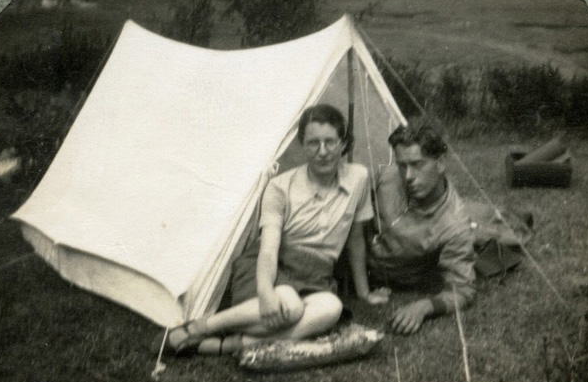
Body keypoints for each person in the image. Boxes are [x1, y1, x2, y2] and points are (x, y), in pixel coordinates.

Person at [167, 104, 387, 355]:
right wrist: (265, 292)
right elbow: (269, 251)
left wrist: (365, 293)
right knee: (290, 308)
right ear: (302, 145)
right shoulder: (279, 187)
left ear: (343, 143)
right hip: (273, 266)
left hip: (317, 277)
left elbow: (356, 239)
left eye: (330, 142)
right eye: (313, 143)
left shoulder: (358, 177)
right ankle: (200, 328)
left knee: (331, 308)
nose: (323, 152)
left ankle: (228, 345)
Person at [366, 118, 476, 335]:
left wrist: (424, 306)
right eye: (402, 165)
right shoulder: (387, 176)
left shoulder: (454, 223)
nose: (408, 176)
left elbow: (463, 290)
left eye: (417, 165)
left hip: (392, 280)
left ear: (440, 163)